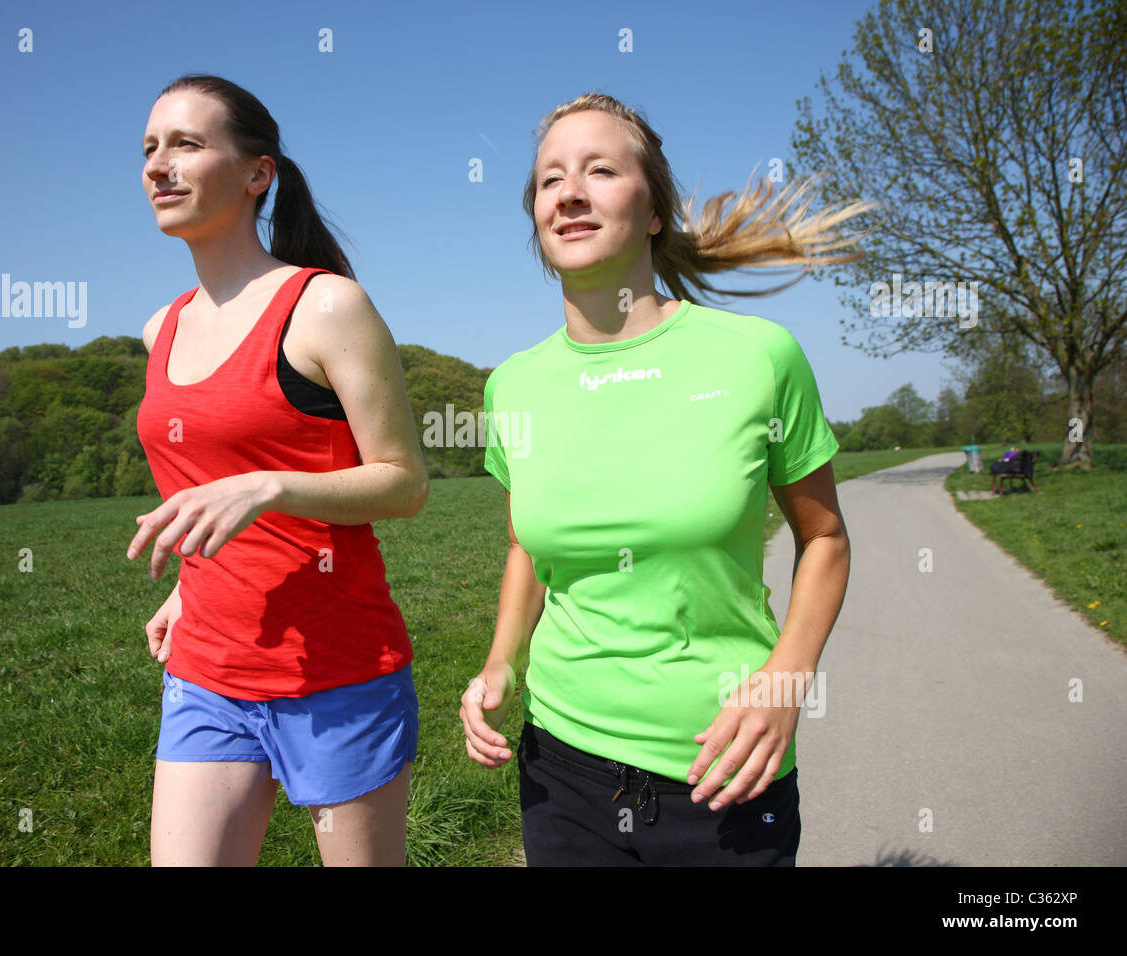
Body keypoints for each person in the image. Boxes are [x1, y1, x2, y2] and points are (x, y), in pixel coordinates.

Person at [460, 93, 861, 865]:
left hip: (722, 766)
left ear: (652, 212)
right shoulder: (512, 386)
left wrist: (785, 682)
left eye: (600, 169)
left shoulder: (758, 357)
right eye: (549, 180)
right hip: (562, 767)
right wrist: (502, 659)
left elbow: (826, 539)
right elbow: (526, 547)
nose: (569, 193)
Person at [126, 74, 427, 866]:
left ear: (259, 173)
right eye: (150, 148)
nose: (160, 165)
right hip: (206, 673)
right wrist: (190, 588)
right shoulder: (161, 328)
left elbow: (404, 481)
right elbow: (204, 480)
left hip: (335, 672)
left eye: (187, 144)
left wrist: (270, 488)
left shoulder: (324, 306)